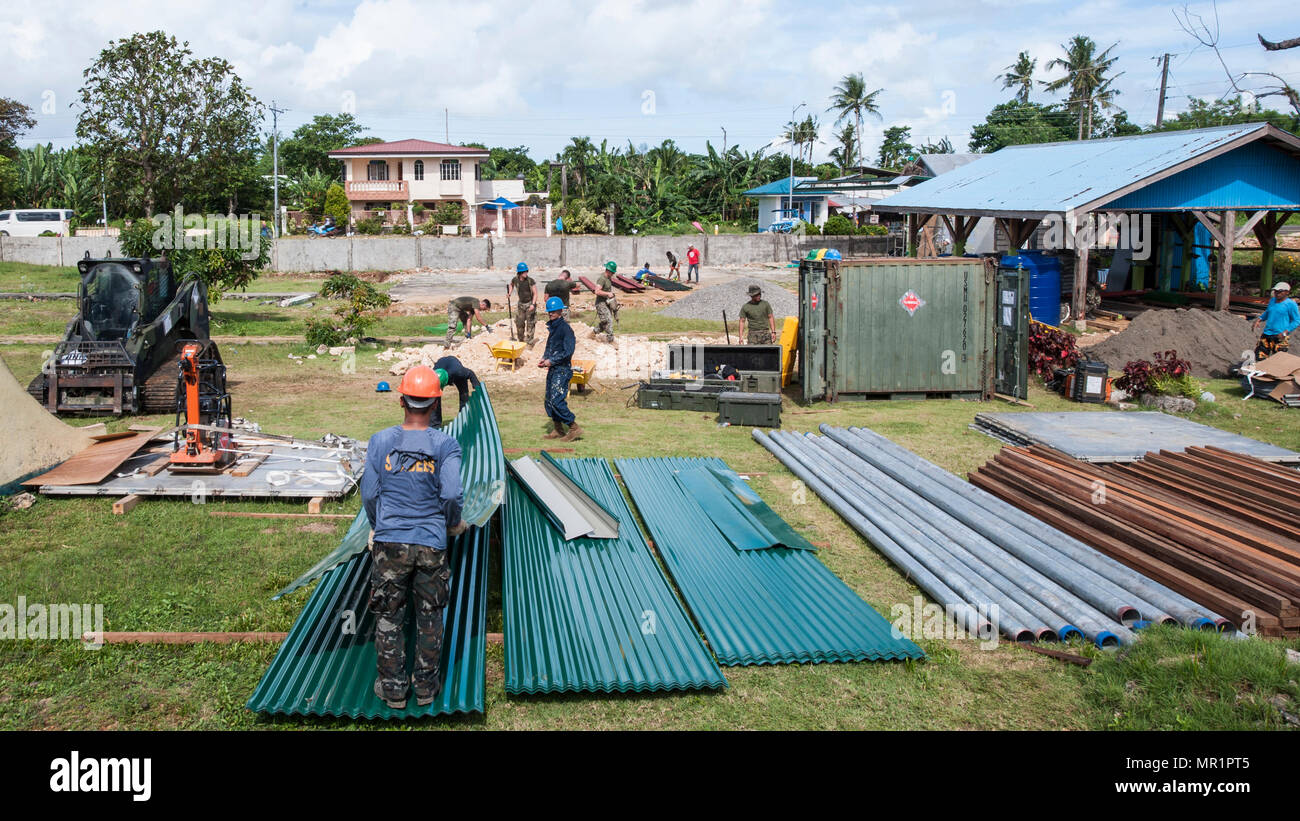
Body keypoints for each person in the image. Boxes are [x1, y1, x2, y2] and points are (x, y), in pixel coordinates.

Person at [361, 365, 466, 709]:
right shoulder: (446, 445)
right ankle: (425, 688)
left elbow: (370, 493)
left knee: (389, 616)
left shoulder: (380, 442)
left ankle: (392, 690)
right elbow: (451, 494)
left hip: (389, 543)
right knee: (430, 616)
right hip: (431, 544)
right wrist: (451, 524)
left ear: (401, 401)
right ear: (435, 404)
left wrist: (378, 526)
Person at [538, 296, 582, 441]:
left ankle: (574, 427)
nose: (550, 314)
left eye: (553, 312)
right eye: (549, 312)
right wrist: (544, 358)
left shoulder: (565, 330)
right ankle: (558, 429)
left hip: (562, 370)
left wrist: (552, 361)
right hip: (554, 369)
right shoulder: (553, 328)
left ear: (560, 311)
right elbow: (550, 347)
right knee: (549, 400)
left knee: (557, 400)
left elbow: (568, 352)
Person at [1253, 281, 1300, 361]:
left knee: (1279, 360)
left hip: (1280, 336)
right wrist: (1259, 319)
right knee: (1260, 357)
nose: (1277, 293)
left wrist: (1285, 332)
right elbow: (1268, 312)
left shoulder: (1291, 304)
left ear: (1287, 292)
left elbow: (1296, 321)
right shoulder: (1272, 301)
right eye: (1275, 291)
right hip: (1267, 334)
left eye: (1280, 291)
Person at [431, 356, 480, 426]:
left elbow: (470, 373)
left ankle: (463, 418)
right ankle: (435, 424)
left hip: (455, 369)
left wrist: (477, 387)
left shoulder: (459, 372)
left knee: (464, 394)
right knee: (435, 398)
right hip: (442, 365)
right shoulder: (433, 375)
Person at [506, 262, 538, 344]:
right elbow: (511, 284)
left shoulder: (530, 281)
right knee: (519, 323)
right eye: (524, 272)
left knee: (530, 324)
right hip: (521, 304)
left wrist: (533, 304)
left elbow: (535, 293)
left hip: (529, 303)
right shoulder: (515, 279)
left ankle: (529, 343)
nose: (526, 273)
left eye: (526, 271)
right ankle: (521, 341)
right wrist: (509, 293)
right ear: (520, 273)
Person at [593, 261, 620, 343]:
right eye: (612, 272)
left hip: (607, 303)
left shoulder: (608, 278)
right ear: (608, 270)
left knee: (604, 321)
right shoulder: (602, 279)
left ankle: (593, 332)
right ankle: (610, 340)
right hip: (601, 303)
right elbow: (597, 291)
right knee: (608, 321)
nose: (613, 274)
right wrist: (608, 293)